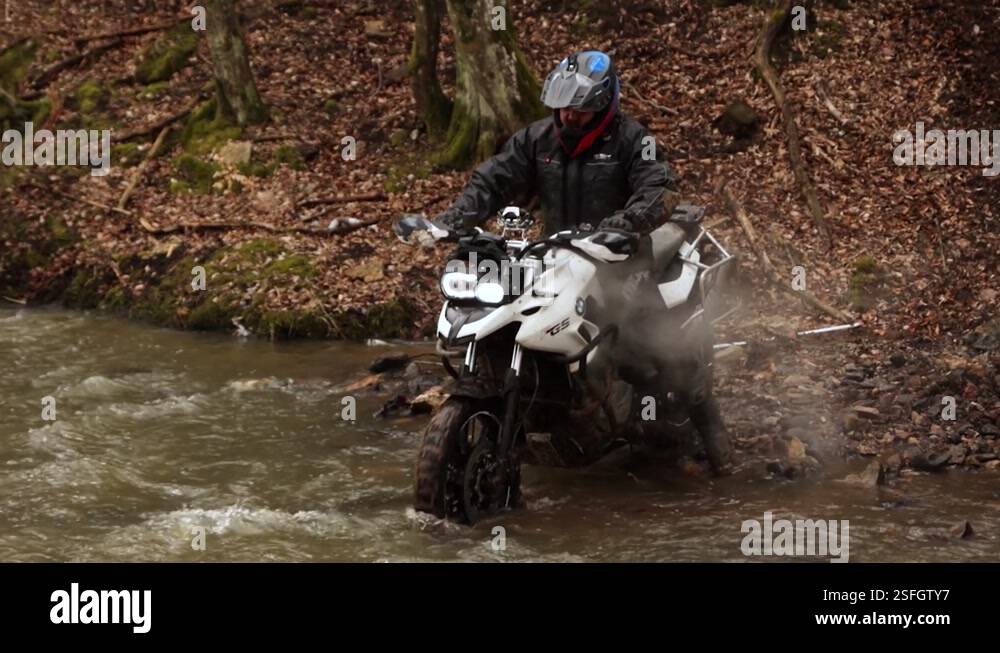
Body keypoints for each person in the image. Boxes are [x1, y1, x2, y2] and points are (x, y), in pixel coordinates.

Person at [437, 50, 733, 474]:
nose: (571, 118)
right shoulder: (537, 139)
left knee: (654, 349)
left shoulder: (635, 141)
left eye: (581, 110)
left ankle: (714, 438)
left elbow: (659, 187)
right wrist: (456, 217)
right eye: (564, 109)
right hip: (557, 255)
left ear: (605, 104)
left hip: (624, 257)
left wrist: (626, 223)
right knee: (516, 315)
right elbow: (493, 178)